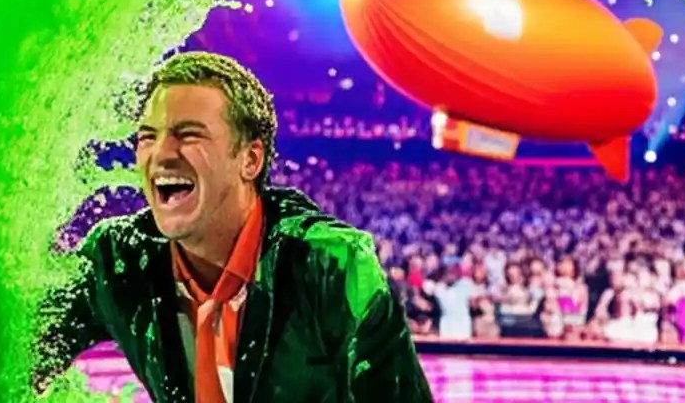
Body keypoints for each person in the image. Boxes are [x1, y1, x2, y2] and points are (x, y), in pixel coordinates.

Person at [34, 52, 432, 402]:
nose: (161, 154)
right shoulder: (120, 260)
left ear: (250, 160)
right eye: (147, 137)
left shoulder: (329, 267)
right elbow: (16, 353)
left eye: (189, 135)